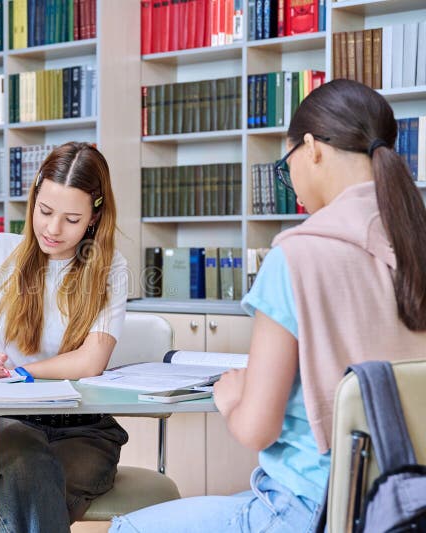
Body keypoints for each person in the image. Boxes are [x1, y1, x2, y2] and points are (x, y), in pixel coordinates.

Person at [110, 79, 426, 532]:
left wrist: (232, 397)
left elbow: (257, 429)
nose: (290, 177)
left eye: (287, 162)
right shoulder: (414, 245)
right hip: (399, 503)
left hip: (310, 510)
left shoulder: (297, 257)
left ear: (312, 149)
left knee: (129, 528)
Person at [0, 142, 130, 532]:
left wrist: (22, 372)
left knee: (21, 486)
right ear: (33, 199)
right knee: (28, 467)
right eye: (44, 211)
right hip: (11, 419)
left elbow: (90, 360)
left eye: (70, 218)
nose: (52, 229)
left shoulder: (110, 266)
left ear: (94, 218)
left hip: (83, 426)